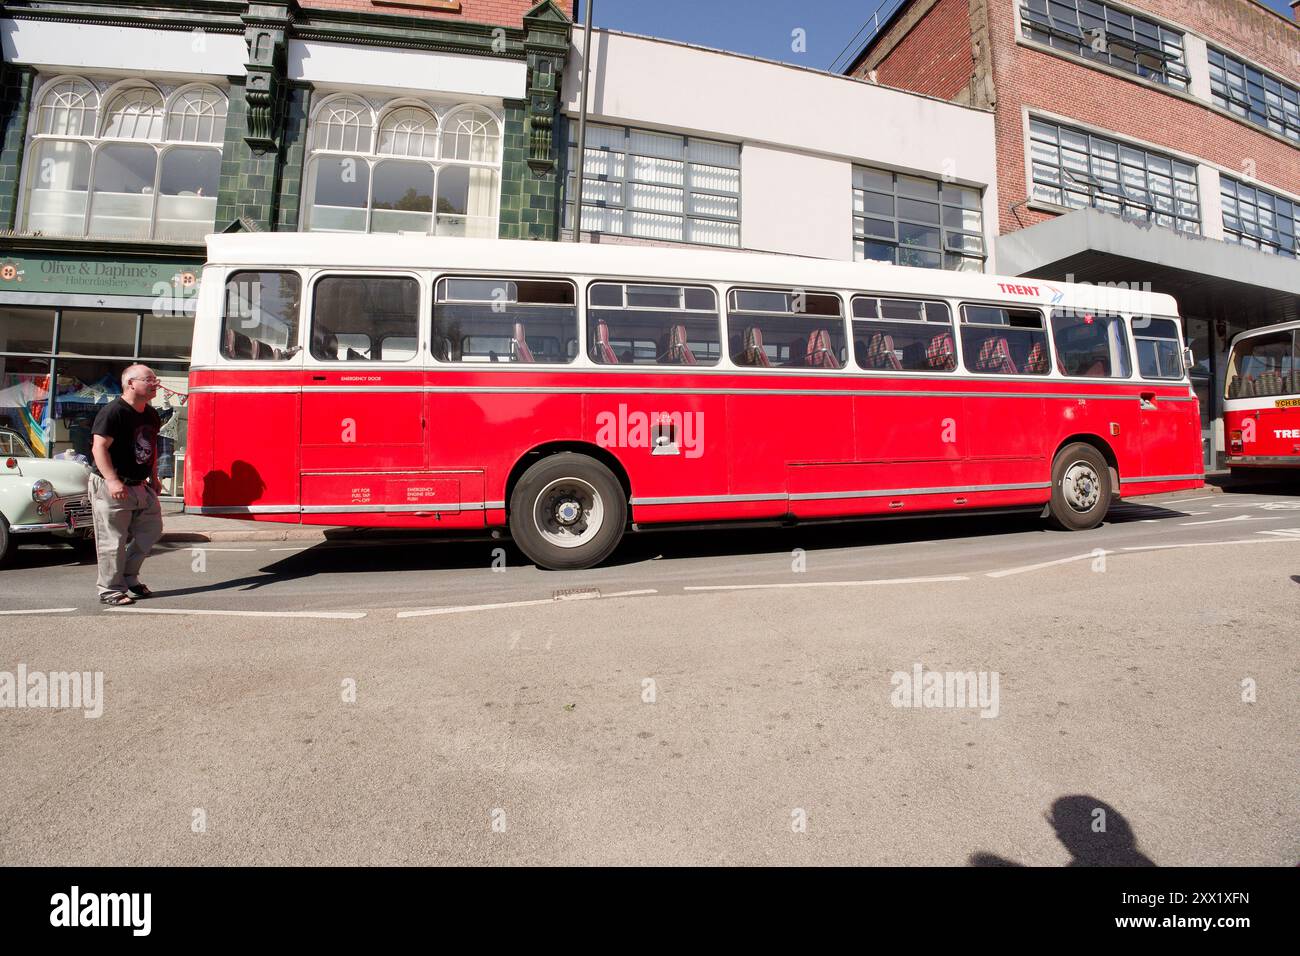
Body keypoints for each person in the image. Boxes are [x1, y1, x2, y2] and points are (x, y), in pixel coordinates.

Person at [89, 365, 164, 606]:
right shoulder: (114, 412)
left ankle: (129, 576)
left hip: (140, 485)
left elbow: (150, 447)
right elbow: (99, 447)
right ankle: (109, 589)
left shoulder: (150, 414)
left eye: (155, 379)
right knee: (113, 539)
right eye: (149, 379)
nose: (155, 383)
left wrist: (154, 476)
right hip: (113, 483)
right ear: (130, 383)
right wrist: (112, 480)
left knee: (150, 531)